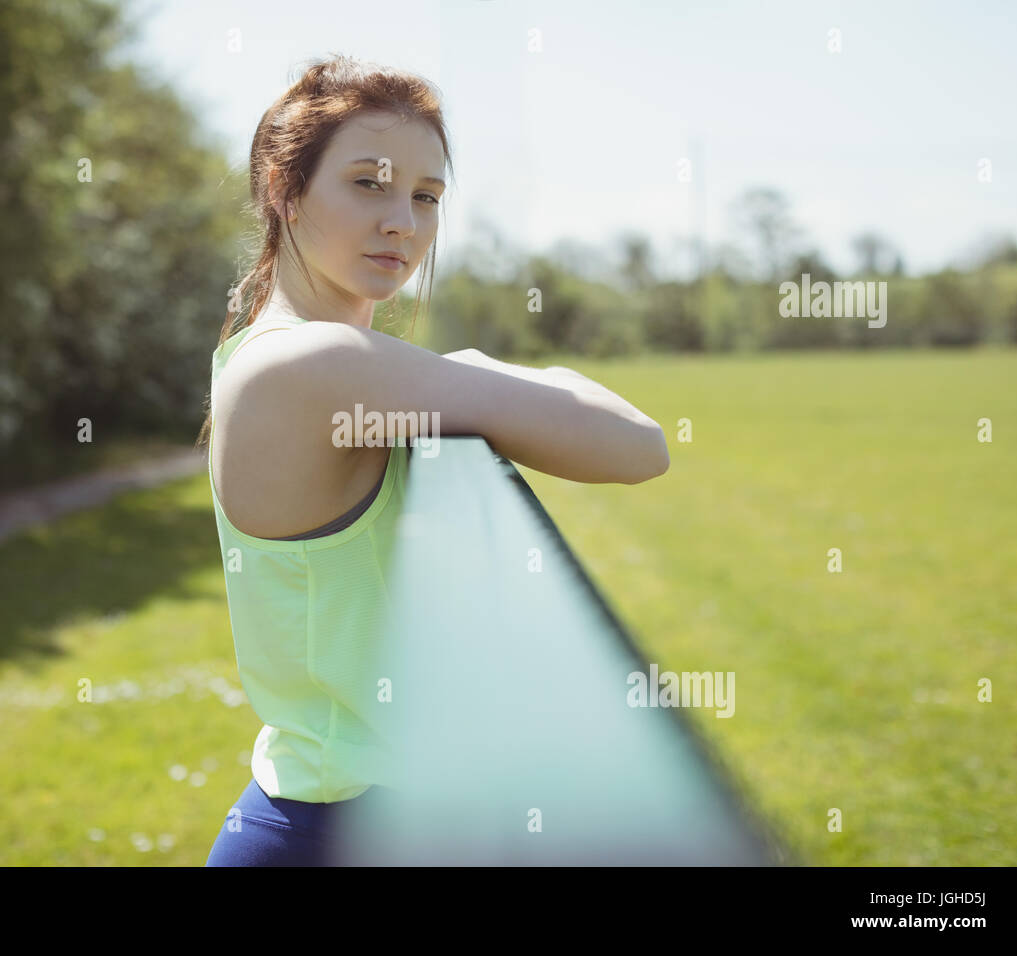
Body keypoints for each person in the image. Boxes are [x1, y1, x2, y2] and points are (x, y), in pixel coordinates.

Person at [199, 54, 669, 866]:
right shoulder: (306, 365)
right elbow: (638, 446)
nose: (404, 223)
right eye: (369, 184)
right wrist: (480, 369)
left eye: (426, 197)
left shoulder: (269, 352)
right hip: (341, 828)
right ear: (286, 190)